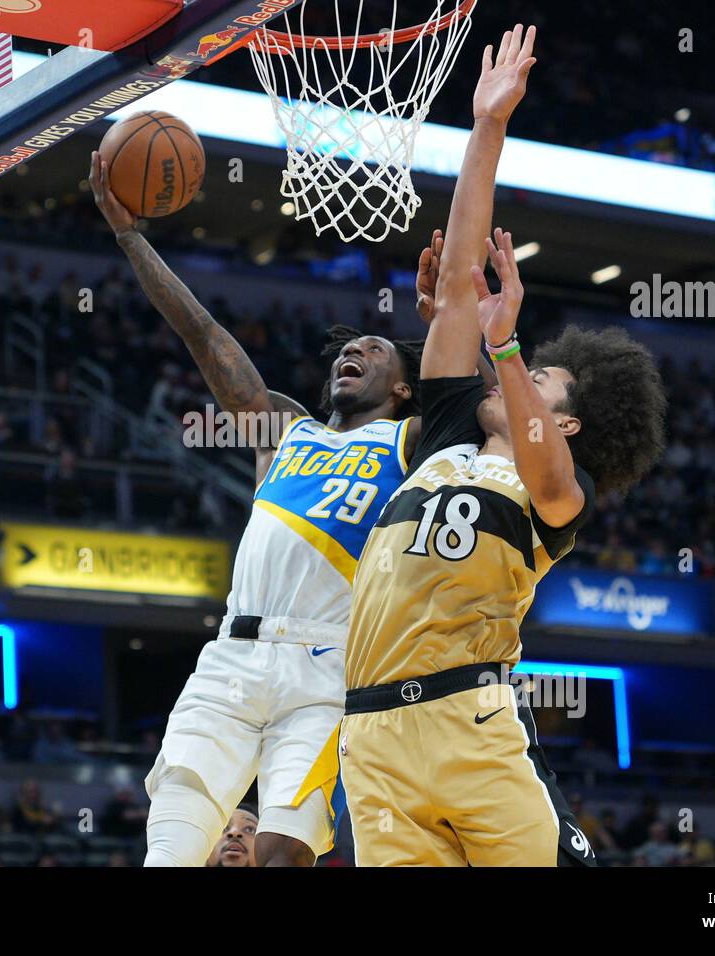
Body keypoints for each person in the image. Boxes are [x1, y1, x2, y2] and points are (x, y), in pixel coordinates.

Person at [327, 25, 666, 866]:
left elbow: (543, 456)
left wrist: (511, 349)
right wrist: (486, 129)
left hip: (467, 724)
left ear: (571, 418)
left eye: (545, 381)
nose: (508, 380)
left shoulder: (560, 490)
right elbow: (454, 290)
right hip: (370, 733)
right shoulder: (444, 434)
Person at [91, 128, 463, 867]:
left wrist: (453, 313)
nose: (353, 351)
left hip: (327, 669)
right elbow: (202, 333)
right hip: (232, 655)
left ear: (401, 387)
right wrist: (131, 238)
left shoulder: (409, 440)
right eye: (346, 349)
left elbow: (466, 397)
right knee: (170, 851)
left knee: (285, 855)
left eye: (374, 350)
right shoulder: (284, 429)